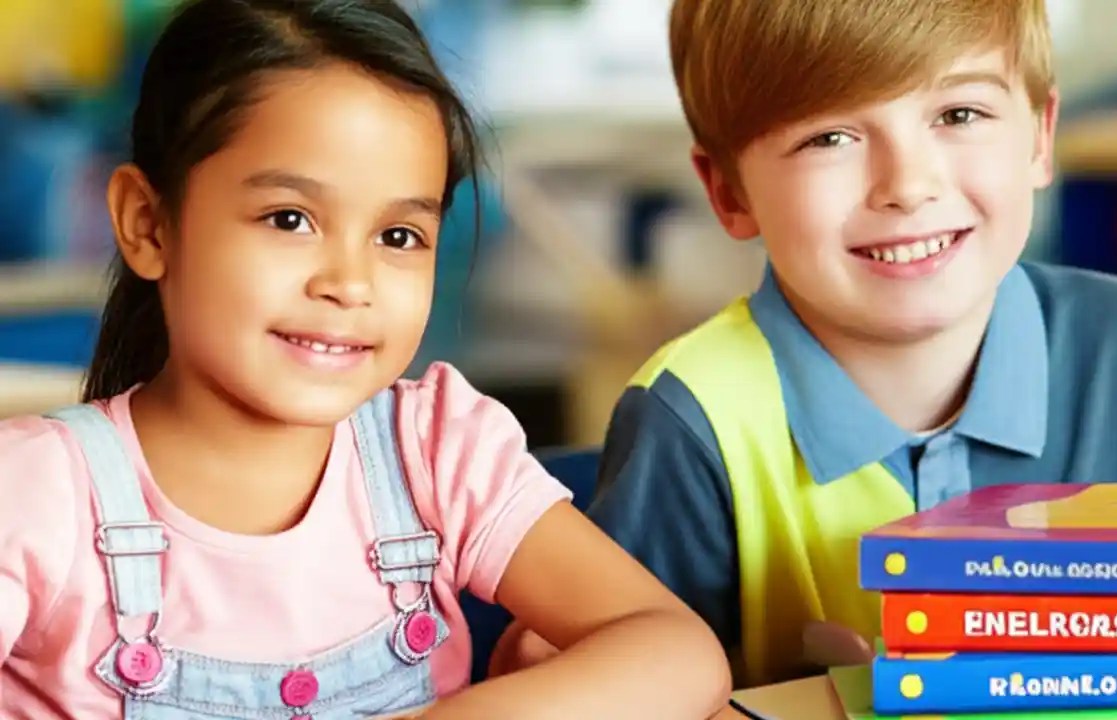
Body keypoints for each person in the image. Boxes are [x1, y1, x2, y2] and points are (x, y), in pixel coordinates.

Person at [0, 1, 732, 718]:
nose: (349, 283)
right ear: (147, 224)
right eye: (290, 219)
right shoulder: (33, 494)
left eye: (398, 236)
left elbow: (674, 648)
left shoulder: (436, 449)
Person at [494, 0, 1117, 691]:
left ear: (1040, 137)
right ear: (729, 192)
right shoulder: (693, 417)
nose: (907, 184)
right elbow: (632, 688)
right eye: (830, 136)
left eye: (958, 113)